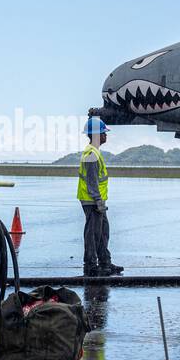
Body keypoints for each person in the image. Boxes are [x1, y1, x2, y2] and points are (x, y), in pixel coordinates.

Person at [77, 116, 122, 277]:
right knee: (93, 233)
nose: (106, 136)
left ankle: (105, 262)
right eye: (103, 133)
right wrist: (97, 200)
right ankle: (90, 265)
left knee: (103, 231)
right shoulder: (91, 155)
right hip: (91, 200)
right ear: (96, 135)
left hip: (96, 200)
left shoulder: (94, 152)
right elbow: (92, 181)